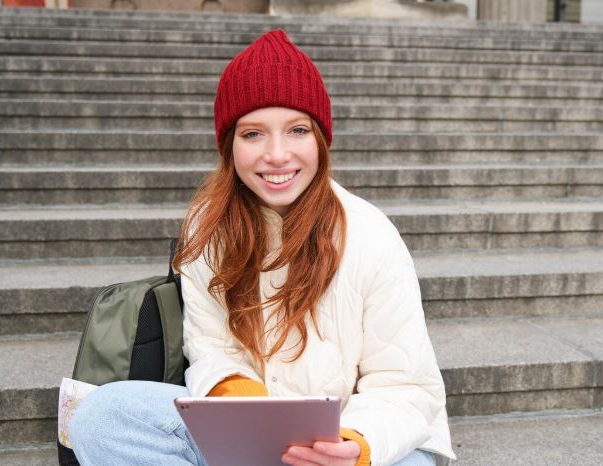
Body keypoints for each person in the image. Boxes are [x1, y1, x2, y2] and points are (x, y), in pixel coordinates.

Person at [69, 29, 456, 466]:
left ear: (320, 140)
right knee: (103, 416)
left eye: (296, 130)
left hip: (346, 441)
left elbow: (406, 387)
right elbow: (212, 350)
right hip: (242, 436)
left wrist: (353, 445)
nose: (277, 154)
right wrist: (255, 424)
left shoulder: (372, 236)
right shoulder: (207, 228)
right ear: (229, 145)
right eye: (253, 134)